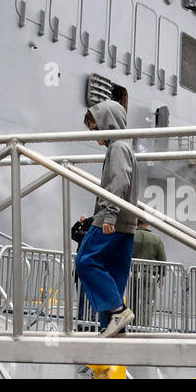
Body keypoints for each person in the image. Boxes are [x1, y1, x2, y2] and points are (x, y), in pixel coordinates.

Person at [76, 96, 140, 338]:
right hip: (127, 225)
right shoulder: (127, 148)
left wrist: (108, 216)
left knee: (86, 261)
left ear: (109, 122)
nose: (94, 134)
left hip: (110, 220)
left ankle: (118, 310)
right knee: (113, 275)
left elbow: (119, 181)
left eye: (97, 126)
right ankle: (112, 327)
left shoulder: (118, 147)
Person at [131, 217, 166, 329]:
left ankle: (133, 327)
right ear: (148, 223)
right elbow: (162, 260)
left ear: (137, 222)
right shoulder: (156, 238)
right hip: (150, 275)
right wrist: (162, 274)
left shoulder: (131, 236)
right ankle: (145, 328)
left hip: (134, 274)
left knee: (133, 302)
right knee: (147, 303)